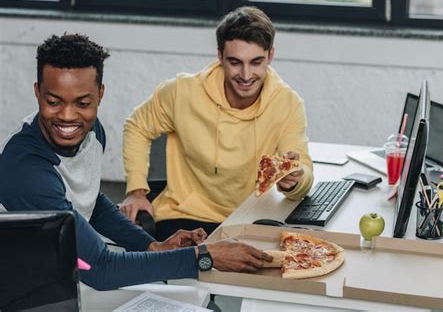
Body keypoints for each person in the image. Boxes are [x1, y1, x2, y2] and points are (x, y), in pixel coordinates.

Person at [0, 33, 272, 291]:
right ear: (37, 92)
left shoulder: (92, 132)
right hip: (21, 289)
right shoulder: (25, 170)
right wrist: (204, 256)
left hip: (58, 271)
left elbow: (89, 202)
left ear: (100, 94)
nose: (68, 116)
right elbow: (101, 269)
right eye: (53, 102)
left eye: (83, 103)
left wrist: (150, 245)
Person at [121, 6, 314, 241]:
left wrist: (294, 181)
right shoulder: (181, 91)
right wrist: (136, 191)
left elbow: (302, 177)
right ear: (220, 56)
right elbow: (137, 126)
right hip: (184, 214)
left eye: (256, 62)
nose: (245, 75)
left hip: (249, 219)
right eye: (235, 62)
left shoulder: (288, 103)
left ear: (270, 56)